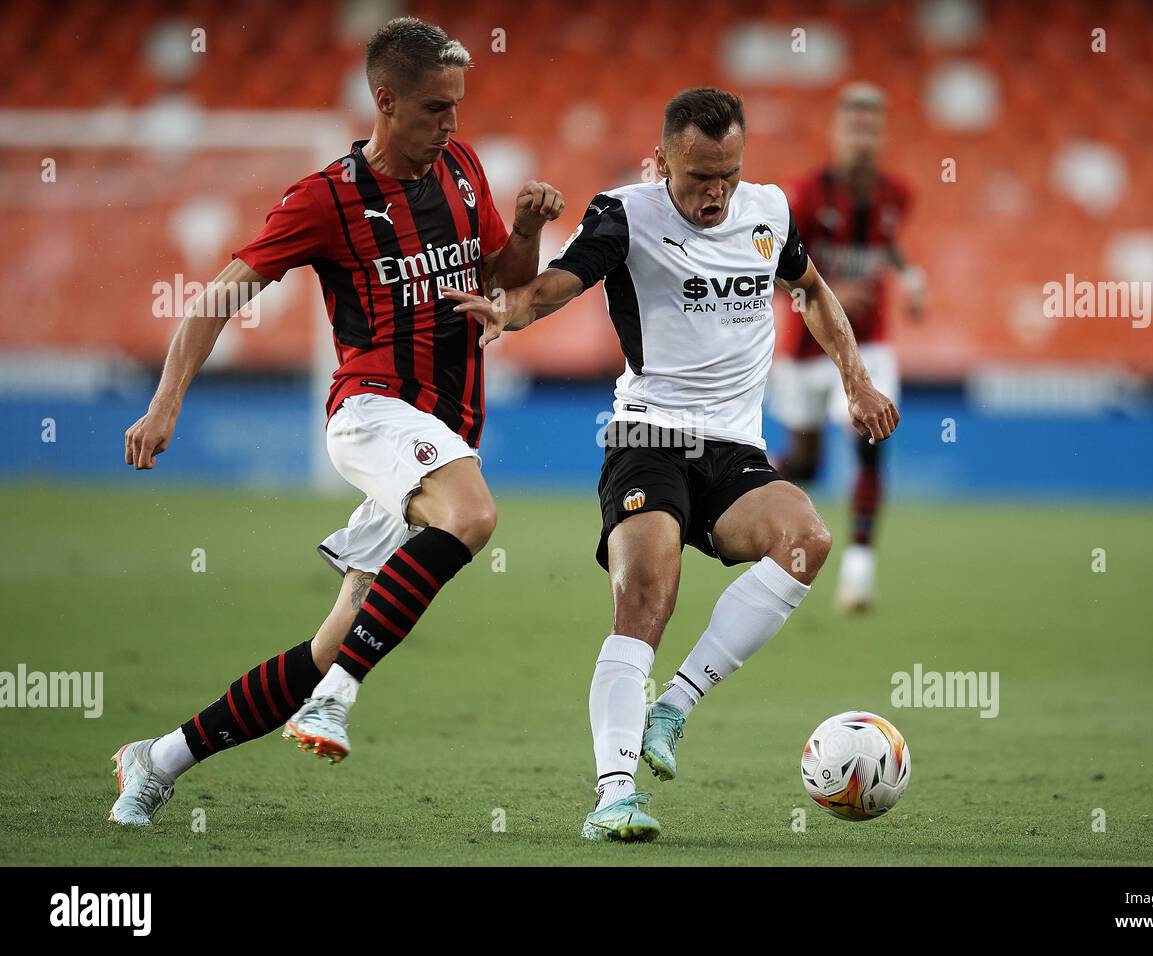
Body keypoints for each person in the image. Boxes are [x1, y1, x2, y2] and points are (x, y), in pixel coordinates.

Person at [110, 17, 564, 826]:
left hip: (442, 436)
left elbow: (501, 278)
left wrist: (527, 229)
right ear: (385, 101)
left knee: (333, 640)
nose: (451, 125)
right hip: (373, 413)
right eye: (434, 109)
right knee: (474, 515)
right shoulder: (325, 199)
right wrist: (166, 400)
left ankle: (159, 759)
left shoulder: (461, 168)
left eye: (458, 106)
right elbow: (218, 297)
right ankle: (334, 701)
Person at [441, 87, 898, 842]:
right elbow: (563, 279)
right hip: (649, 440)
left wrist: (856, 379)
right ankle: (613, 795)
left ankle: (674, 707)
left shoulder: (769, 211)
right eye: (697, 179)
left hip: (734, 450)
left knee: (807, 539)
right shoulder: (626, 213)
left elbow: (811, 291)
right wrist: (513, 310)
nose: (714, 194)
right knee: (647, 600)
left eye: (727, 175)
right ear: (663, 163)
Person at [768, 82, 924, 611]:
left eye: (871, 128)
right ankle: (738, 495)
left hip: (870, 348)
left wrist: (911, 277)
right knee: (807, 463)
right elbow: (768, 273)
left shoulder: (897, 195)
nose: (862, 138)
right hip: (804, 352)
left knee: (870, 437)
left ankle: (858, 572)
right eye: (853, 127)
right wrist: (825, 290)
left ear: (882, 136)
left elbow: (887, 246)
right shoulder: (806, 196)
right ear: (836, 134)